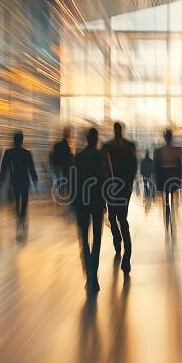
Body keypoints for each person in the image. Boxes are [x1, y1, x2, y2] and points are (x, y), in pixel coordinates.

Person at [73, 127, 112, 292]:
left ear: (86, 139)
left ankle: (88, 272)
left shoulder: (79, 157)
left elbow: (73, 180)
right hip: (97, 202)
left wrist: (73, 202)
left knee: (84, 238)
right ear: (96, 140)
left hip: (82, 202)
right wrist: (106, 201)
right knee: (97, 238)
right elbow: (108, 179)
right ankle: (93, 274)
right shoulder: (101, 157)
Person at [103, 122, 137, 273]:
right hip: (113, 187)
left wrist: (128, 184)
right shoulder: (109, 146)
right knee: (113, 217)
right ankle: (120, 243)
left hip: (122, 188)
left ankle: (125, 250)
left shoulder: (126, 146)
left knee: (120, 217)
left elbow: (133, 166)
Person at [0, 131, 38, 241]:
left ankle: (19, 218)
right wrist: (35, 180)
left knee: (16, 202)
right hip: (24, 181)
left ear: (14, 140)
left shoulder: (9, 153)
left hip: (14, 181)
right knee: (24, 203)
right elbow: (31, 168)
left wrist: (1, 180)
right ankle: (22, 218)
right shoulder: (27, 153)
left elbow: (4, 168)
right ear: (22, 140)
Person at [154, 129, 182, 235]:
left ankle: (168, 215)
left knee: (167, 199)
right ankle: (170, 215)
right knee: (170, 198)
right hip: (172, 175)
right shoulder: (177, 150)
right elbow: (179, 166)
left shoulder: (159, 151)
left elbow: (157, 167)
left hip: (164, 175)